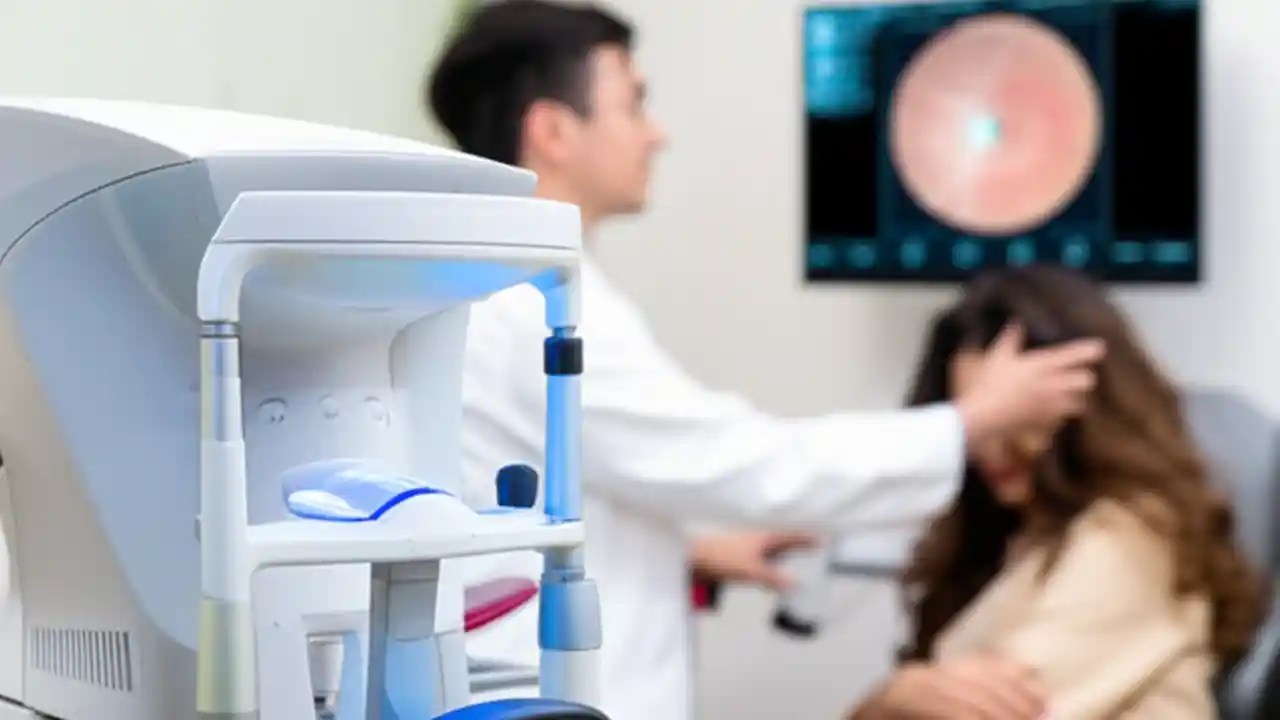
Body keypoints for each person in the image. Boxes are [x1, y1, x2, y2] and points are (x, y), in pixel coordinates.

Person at [427, 2, 1105, 718]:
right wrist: (971, 423)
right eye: (634, 105)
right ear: (554, 131)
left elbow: (556, 490)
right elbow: (736, 460)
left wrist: (684, 551)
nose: (658, 135)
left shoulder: (497, 284)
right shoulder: (534, 302)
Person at [850, 265, 1267, 720]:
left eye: (1012, 413)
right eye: (977, 417)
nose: (990, 443)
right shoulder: (1010, 542)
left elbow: (997, 711)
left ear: (1087, 407)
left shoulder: (1132, 537)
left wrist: (889, 701)